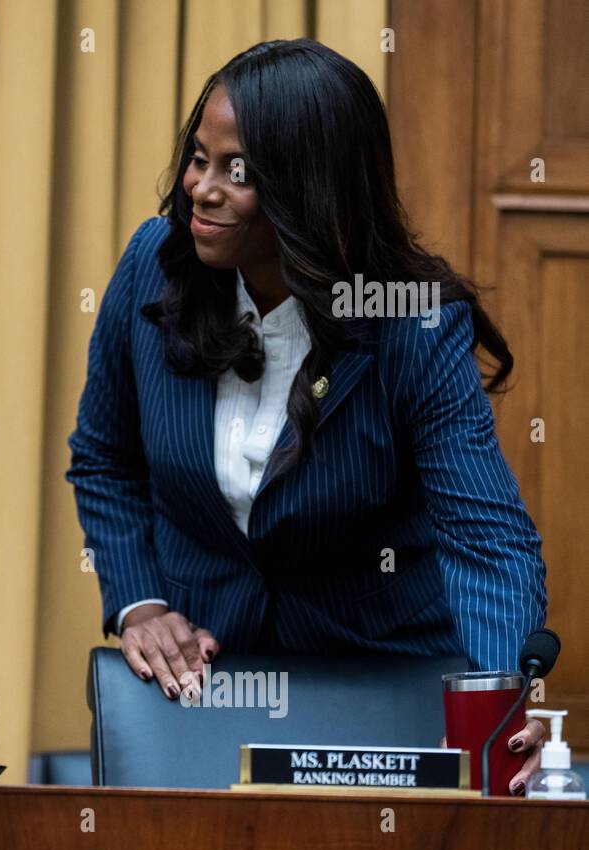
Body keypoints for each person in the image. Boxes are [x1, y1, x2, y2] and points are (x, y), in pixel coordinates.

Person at [66, 39, 547, 794]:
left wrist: (494, 704)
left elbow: (485, 539)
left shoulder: (410, 323)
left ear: (312, 191)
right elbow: (105, 457)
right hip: (207, 676)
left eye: (238, 172)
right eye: (199, 158)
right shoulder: (153, 267)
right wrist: (141, 601)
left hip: (378, 672)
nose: (201, 187)